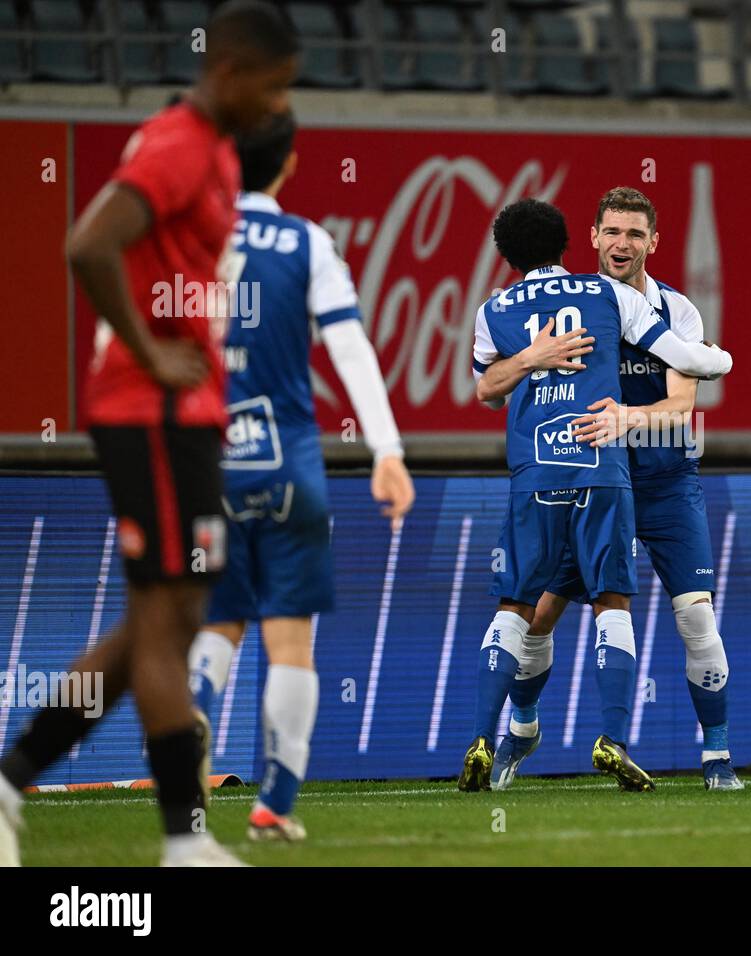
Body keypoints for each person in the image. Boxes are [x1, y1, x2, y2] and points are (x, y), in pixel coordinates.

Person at [0, 0, 299, 867]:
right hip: (152, 412)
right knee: (168, 621)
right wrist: (152, 355)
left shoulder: (211, 150)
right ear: (234, 71)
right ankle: (183, 842)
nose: (279, 106)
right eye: (274, 87)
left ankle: (11, 781)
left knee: (163, 617)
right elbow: (89, 244)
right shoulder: (176, 143)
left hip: (185, 418)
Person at [186, 111, 415, 842]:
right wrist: (386, 450)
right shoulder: (306, 241)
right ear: (287, 164)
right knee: (289, 637)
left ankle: (195, 702)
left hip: (205, 457)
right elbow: (350, 348)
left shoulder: (189, 240)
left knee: (219, 615)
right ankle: (274, 804)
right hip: (285, 458)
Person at [459, 198, 732, 792]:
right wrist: (532, 358)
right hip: (595, 476)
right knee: (540, 618)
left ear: (653, 241)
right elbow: (488, 384)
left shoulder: (671, 308)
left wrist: (626, 418)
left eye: (635, 233)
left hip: (660, 484)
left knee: (696, 618)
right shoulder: (591, 297)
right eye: (612, 230)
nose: (622, 242)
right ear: (591, 236)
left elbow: (683, 406)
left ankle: (717, 757)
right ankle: (522, 730)